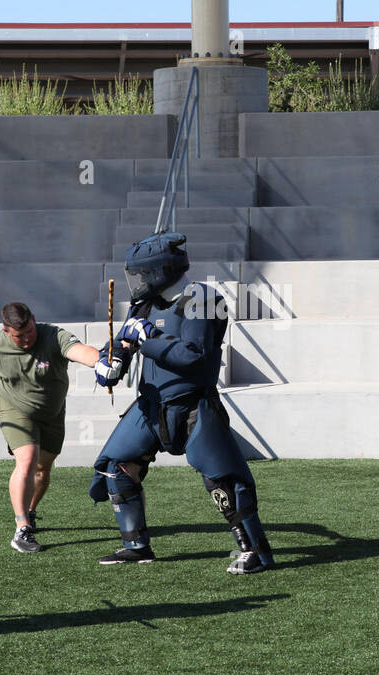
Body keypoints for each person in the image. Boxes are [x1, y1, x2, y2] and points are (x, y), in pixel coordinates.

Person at [91, 233, 274, 573]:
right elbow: (126, 339)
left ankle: (256, 552)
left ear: (161, 270)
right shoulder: (146, 302)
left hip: (193, 405)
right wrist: (110, 361)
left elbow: (194, 357)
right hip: (151, 404)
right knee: (116, 465)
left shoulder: (204, 299)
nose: (138, 281)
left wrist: (149, 339)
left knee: (223, 478)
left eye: (143, 274)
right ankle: (136, 546)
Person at [0, 301, 120, 553]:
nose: (26, 339)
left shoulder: (54, 335)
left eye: (30, 332)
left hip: (52, 412)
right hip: (15, 408)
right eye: (18, 336)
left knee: (43, 470)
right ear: (6, 332)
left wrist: (100, 362)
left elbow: (79, 351)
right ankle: (21, 528)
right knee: (27, 460)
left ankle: (30, 512)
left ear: (34, 319)